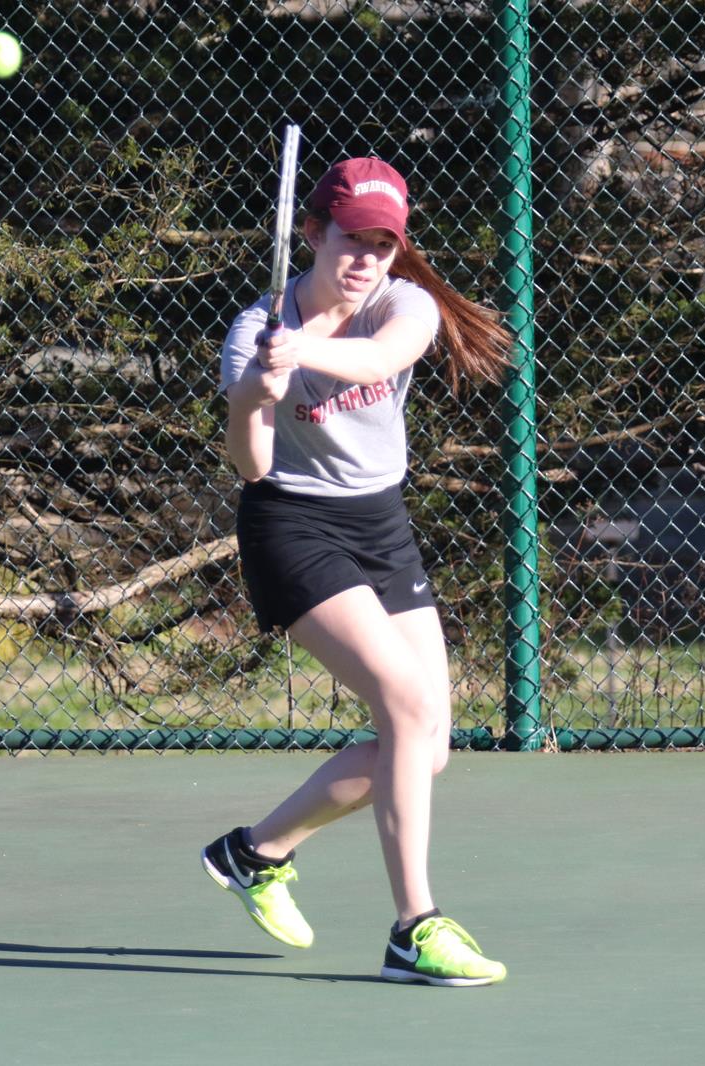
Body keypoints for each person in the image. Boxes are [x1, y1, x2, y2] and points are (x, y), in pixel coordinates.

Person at [201, 157, 512, 987]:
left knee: (427, 743)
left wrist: (303, 350)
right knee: (405, 706)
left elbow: (379, 360)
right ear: (312, 233)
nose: (367, 257)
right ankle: (416, 926)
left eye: (384, 242)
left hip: (380, 524)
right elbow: (254, 464)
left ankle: (255, 852)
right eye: (352, 239)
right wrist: (252, 394)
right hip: (292, 527)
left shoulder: (402, 303)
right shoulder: (252, 331)